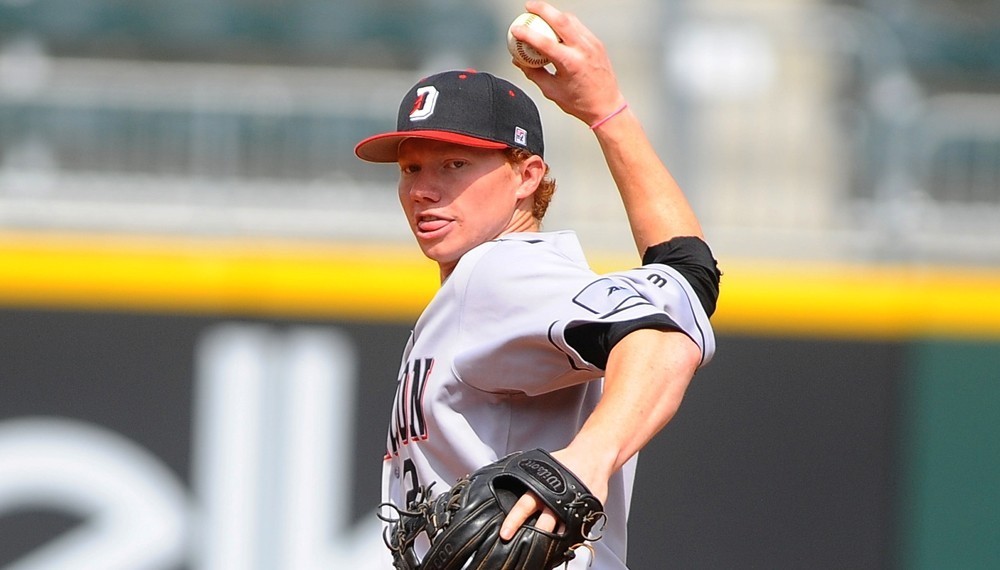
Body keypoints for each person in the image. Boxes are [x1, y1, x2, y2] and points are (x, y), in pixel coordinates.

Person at [353, 1, 720, 567]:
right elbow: (688, 279)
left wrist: (588, 458)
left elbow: (664, 335)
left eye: (453, 166)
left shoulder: (497, 274)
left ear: (526, 175)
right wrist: (608, 113)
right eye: (411, 168)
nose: (424, 190)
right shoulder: (499, 284)